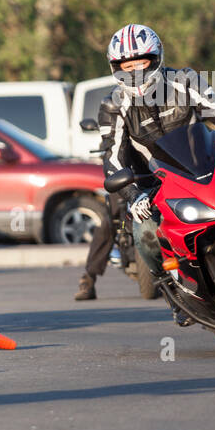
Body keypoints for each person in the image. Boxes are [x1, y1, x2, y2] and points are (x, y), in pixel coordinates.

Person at [102, 23, 215, 322]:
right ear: (116, 68)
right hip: (155, 184)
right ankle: (174, 293)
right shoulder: (113, 105)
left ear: (156, 58)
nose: (136, 71)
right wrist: (132, 194)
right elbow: (112, 156)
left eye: (142, 62)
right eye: (127, 65)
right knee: (145, 234)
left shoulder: (185, 80)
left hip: (205, 165)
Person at [75, 98, 121, 300]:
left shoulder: (158, 108)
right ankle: (88, 278)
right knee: (108, 221)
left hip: (151, 174)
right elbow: (109, 146)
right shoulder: (116, 108)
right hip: (124, 174)